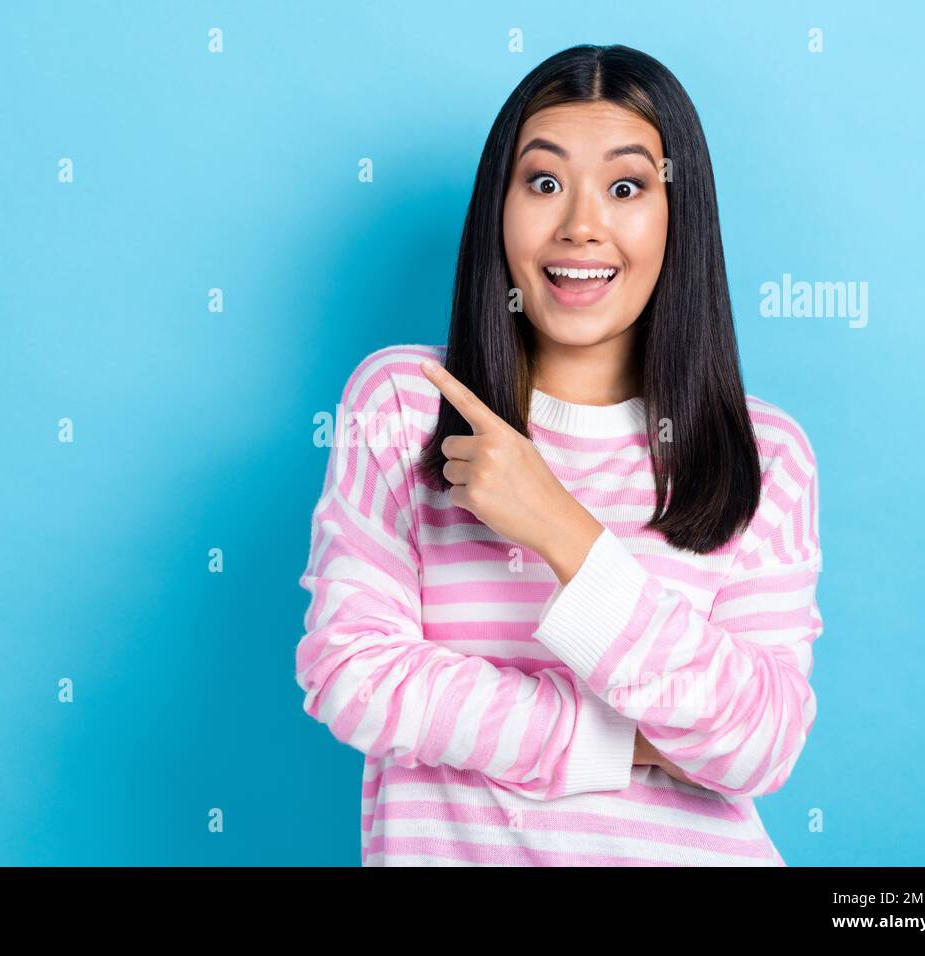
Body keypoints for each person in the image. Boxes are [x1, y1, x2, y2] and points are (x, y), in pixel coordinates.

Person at [296, 43, 822, 866]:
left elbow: (761, 746)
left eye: (625, 187)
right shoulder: (405, 404)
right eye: (543, 183)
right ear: (497, 208)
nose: (581, 223)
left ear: (679, 214)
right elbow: (355, 677)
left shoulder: (763, 455)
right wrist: (636, 743)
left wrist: (560, 528)